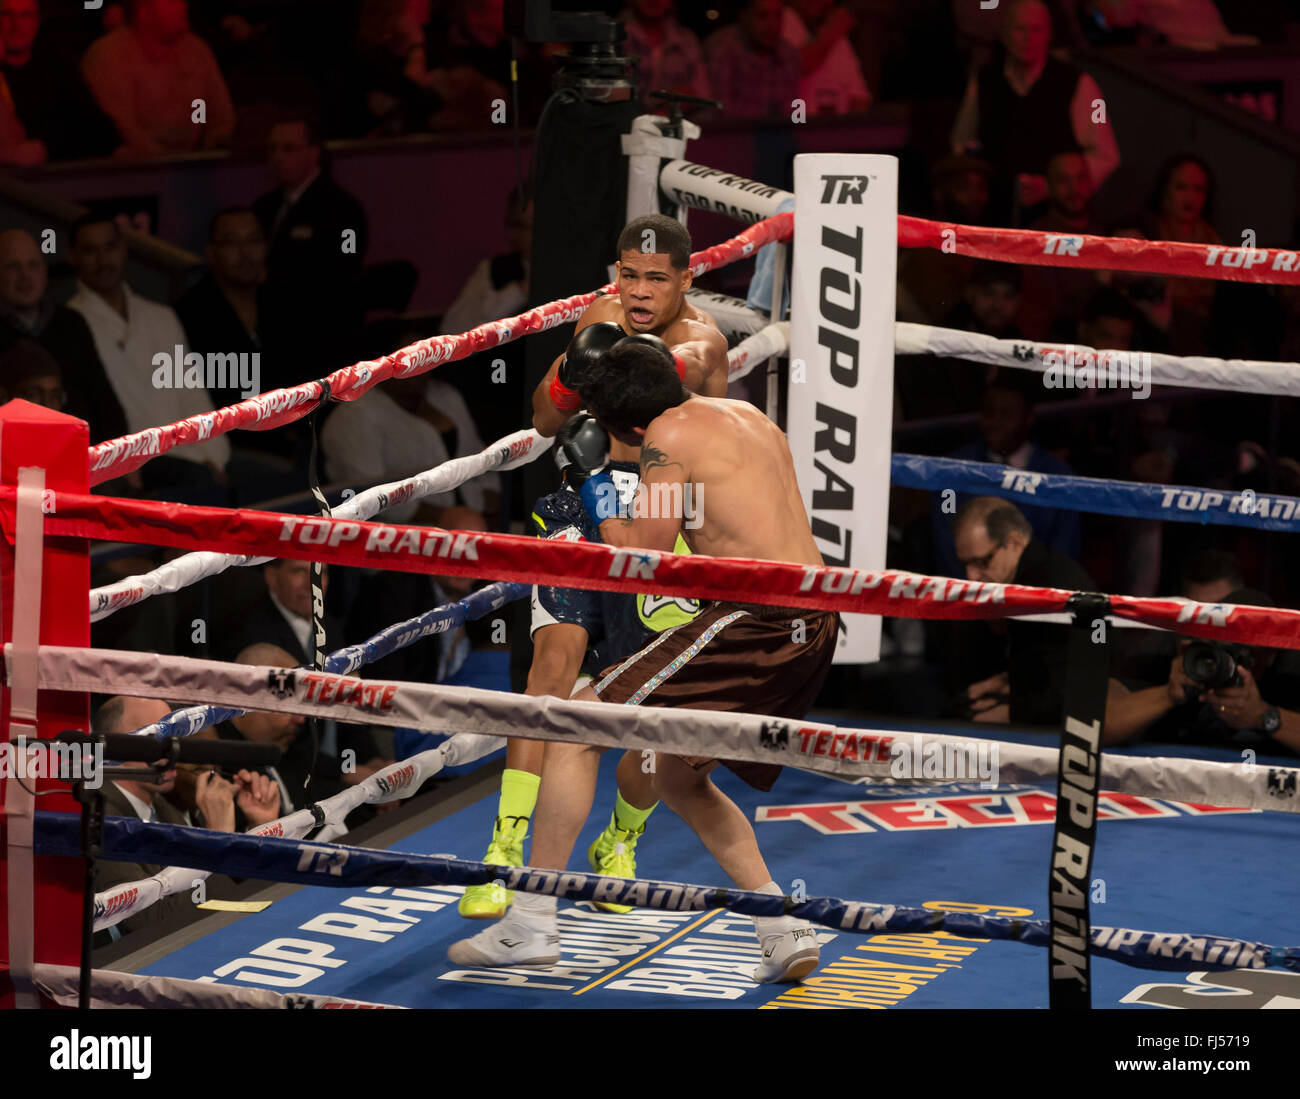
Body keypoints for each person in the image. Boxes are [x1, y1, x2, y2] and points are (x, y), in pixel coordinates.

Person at [448, 336, 838, 982]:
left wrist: (595, 482)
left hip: (754, 621)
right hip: (813, 619)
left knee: (574, 726)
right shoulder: (746, 415)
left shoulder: (665, 440)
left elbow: (645, 566)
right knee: (682, 778)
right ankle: (780, 922)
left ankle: (531, 922)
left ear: (623, 426)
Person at [460, 214, 728, 920]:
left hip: (666, 517)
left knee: (645, 701)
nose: (638, 292)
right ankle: (503, 851)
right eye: (629, 275)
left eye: (656, 279)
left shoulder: (703, 340)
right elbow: (546, 421)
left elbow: (682, 380)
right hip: (582, 496)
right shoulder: (599, 314)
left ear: (685, 279)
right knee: (552, 668)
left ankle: (621, 839)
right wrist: (576, 368)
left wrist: (623, 358)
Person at [67, 214, 231, 497]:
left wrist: (212, 455)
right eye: (90, 250)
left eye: (110, 247)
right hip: (132, 469)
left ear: (124, 250)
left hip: (189, 456)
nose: (102, 259)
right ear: (73, 257)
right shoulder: (69, 323)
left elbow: (192, 395)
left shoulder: (161, 317)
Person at [950, 0, 1119, 219]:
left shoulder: (1078, 83)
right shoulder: (984, 80)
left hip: (1056, 218)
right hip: (994, 213)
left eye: (1036, 30)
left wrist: (1055, 187)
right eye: (1020, 29)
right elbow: (962, 142)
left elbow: (1106, 155)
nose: (1028, 38)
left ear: (1049, 35)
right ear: (1004, 32)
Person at [93, 696, 242, 939]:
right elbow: (152, 921)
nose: (174, 751)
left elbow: (227, 892)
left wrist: (259, 826)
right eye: (158, 737)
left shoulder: (162, 806)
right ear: (113, 746)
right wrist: (215, 846)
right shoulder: (100, 816)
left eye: (176, 735)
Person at [951, 497, 1093, 727]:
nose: (971, 576)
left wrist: (1016, 712)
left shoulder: (1049, 589)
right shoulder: (1029, 575)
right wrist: (1005, 683)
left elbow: (1080, 686)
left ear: (1015, 542)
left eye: (982, 561)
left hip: (1070, 719)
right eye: (965, 564)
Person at [1105, 589, 1299, 753]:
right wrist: (1168, 695)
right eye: (1225, 648)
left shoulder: (1288, 674)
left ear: (1271, 654)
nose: (1232, 661)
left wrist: (1263, 715)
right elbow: (1099, 722)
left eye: (1245, 653)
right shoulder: (1180, 660)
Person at [252, 112, 368, 379]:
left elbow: (341, 274)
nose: (278, 157)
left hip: (318, 337)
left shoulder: (342, 210)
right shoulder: (263, 207)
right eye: (272, 149)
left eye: (289, 149)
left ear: (314, 152)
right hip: (268, 333)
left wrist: (276, 278)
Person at [0, 228, 125, 444]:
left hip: (83, 453)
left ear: (44, 272)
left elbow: (103, 399)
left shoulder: (71, 323)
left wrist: (123, 457)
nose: (25, 276)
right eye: (13, 267)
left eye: (33, 265)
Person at [81, 0, 236, 157]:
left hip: (195, 169)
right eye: (171, 2)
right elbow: (122, 132)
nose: (183, 5)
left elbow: (220, 116)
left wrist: (216, 146)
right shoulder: (108, 55)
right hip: (132, 172)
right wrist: (167, 166)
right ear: (145, 14)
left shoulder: (196, 50)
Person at [705, 0, 802, 120]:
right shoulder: (723, 49)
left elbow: (793, 114)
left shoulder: (789, 54)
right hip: (732, 135)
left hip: (775, 136)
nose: (772, 25)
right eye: (762, 16)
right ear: (744, 16)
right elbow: (721, 114)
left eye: (777, 16)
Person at [620, 0, 711, 109]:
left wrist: (672, 105)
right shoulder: (615, 38)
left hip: (675, 122)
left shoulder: (686, 40)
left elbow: (702, 93)